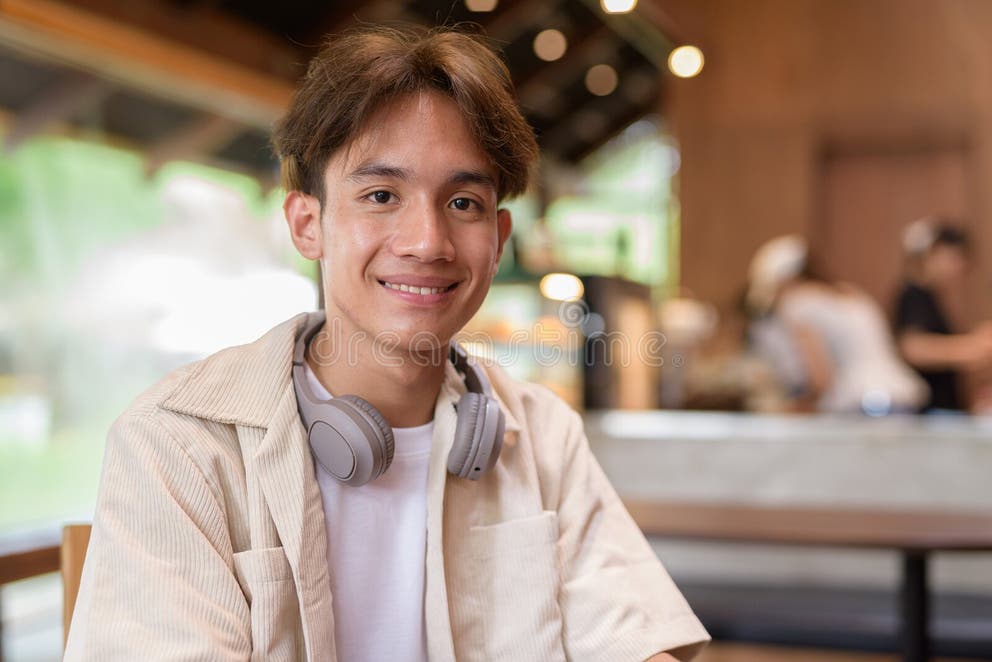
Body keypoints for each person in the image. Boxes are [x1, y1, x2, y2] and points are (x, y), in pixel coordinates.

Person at [64, 26, 709, 661]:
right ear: (308, 224)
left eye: (462, 203)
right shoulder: (179, 445)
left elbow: (643, 643)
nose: (427, 242)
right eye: (381, 195)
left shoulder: (541, 436)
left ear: (499, 235)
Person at [746, 235, 927, 414]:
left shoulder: (798, 303)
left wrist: (792, 408)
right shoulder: (851, 293)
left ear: (785, 280)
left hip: (859, 404)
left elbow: (821, 380)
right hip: (903, 396)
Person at [894, 219, 992, 412]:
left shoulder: (933, 297)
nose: (958, 268)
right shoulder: (914, 294)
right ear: (931, 255)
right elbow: (913, 348)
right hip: (927, 408)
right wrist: (970, 346)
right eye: (952, 258)